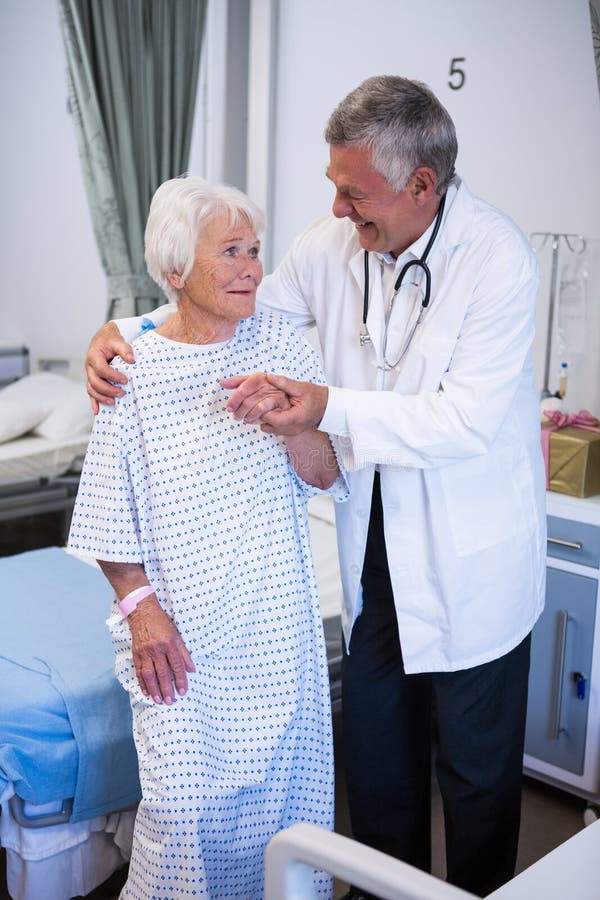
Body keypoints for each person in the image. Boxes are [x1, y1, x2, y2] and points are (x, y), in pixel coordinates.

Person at [85, 77, 547, 899]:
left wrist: (322, 408)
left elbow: (464, 421)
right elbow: (215, 304)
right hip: (376, 556)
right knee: (378, 774)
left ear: (421, 187)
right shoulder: (330, 248)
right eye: (334, 187)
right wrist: (119, 330)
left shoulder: (497, 260)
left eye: (352, 192)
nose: (335, 209)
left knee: (475, 783)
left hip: (470, 563)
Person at [69, 175, 348, 900]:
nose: (252, 267)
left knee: (287, 817)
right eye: (229, 251)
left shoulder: (282, 345)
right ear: (175, 271)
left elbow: (322, 474)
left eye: (254, 249)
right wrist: (141, 609)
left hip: (276, 634)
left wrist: (293, 424)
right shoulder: (131, 369)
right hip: (180, 644)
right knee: (181, 816)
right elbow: (106, 511)